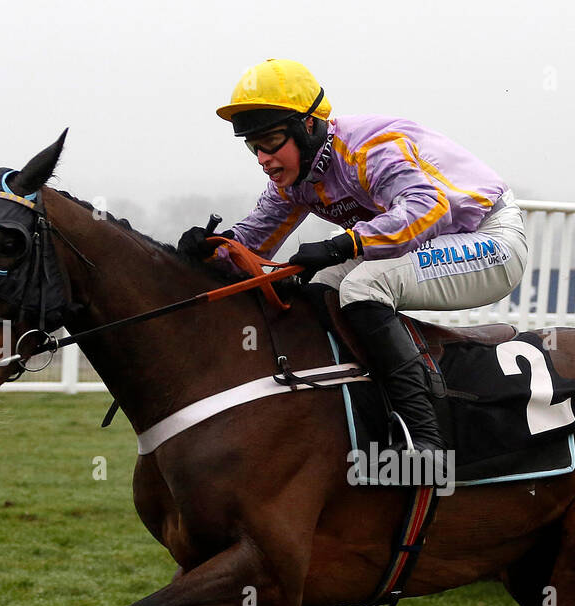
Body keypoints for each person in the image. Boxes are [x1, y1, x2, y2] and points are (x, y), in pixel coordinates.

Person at [179, 58, 528, 468]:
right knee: (319, 285)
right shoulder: (294, 178)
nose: (262, 158)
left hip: (489, 239)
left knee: (362, 285)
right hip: (428, 245)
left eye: (271, 141)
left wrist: (343, 244)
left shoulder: (370, 148)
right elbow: (253, 243)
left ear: (308, 126)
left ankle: (424, 439)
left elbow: (425, 208)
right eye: (253, 145)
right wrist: (210, 249)